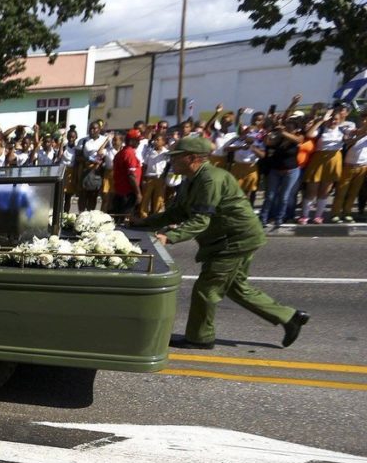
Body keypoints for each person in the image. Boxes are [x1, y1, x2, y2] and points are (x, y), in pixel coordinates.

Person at [132, 135, 309, 349]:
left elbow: (201, 219)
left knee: (206, 289)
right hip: (233, 237)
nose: (172, 160)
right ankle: (290, 317)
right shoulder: (192, 179)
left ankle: (200, 338)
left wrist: (169, 237)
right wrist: (144, 224)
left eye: (177, 156)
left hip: (234, 240)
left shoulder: (210, 179)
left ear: (192, 158)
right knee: (236, 288)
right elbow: (178, 212)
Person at [110, 129, 143, 216]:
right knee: (125, 218)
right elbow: (131, 176)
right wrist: (138, 193)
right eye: (137, 140)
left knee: (119, 217)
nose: (139, 142)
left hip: (120, 191)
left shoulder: (121, 153)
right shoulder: (129, 153)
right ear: (131, 141)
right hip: (128, 193)